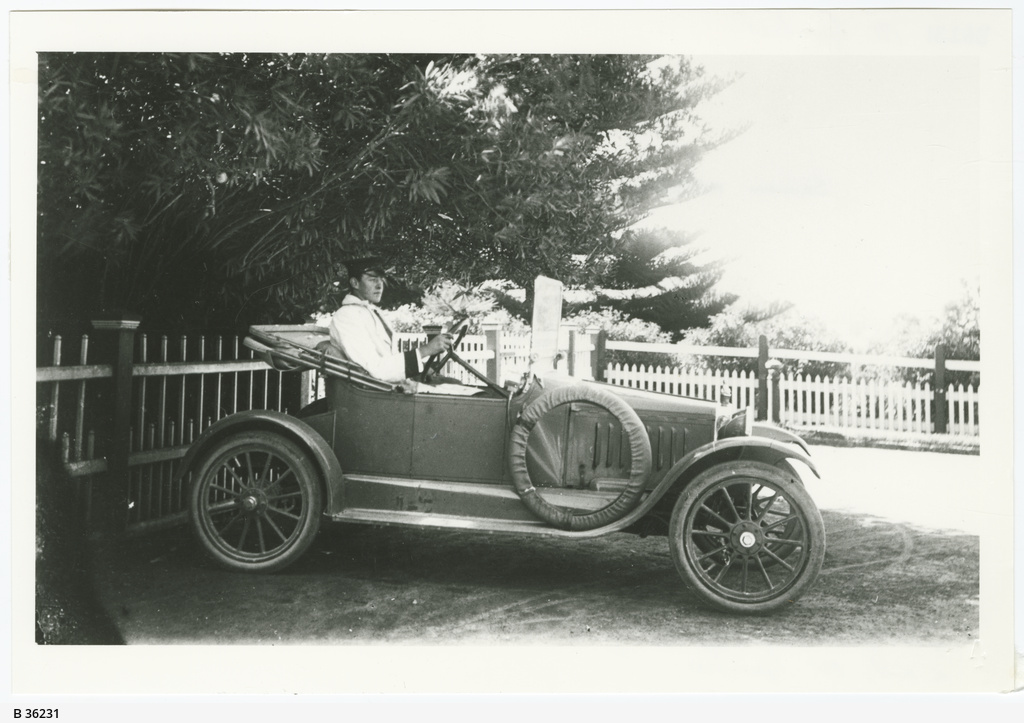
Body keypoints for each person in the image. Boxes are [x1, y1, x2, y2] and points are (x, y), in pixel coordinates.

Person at [328, 257, 452, 383]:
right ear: (355, 283)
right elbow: (375, 369)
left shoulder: (371, 312)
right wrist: (424, 351)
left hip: (389, 385)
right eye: (372, 280)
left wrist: (420, 366)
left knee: (452, 383)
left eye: (381, 279)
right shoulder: (347, 316)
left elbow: (389, 357)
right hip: (376, 390)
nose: (379, 285)